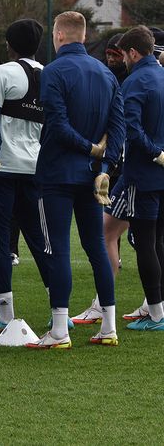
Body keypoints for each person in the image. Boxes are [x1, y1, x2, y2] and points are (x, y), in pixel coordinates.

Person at [28, 11, 124, 349]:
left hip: (58, 172)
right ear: (83, 36)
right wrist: (105, 167)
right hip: (92, 175)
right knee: (96, 246)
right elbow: (118, 126)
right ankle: (109, 326)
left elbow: (56, 123)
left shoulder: (53, 71)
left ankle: (59, 330)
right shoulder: (106, 72)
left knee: (57, 248)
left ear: (58, 36)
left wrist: (92, 150)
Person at [0, 19, 54, 334]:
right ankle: (57, 309)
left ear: (9, 45)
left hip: (3, 169)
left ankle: (5, 315)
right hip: (35, 168)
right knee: (41, 241)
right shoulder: (48, 74)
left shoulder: (2, 73)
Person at [114, 26, 164, 332]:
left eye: (123, 55)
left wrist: (155, 153)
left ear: (133, 52)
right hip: (159, 170)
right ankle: (156, 307)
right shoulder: (161, 74)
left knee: (144, 241)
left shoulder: (134, 82)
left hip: (143, 173)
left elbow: (131, 130)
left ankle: (156, 313)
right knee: (158, 239)